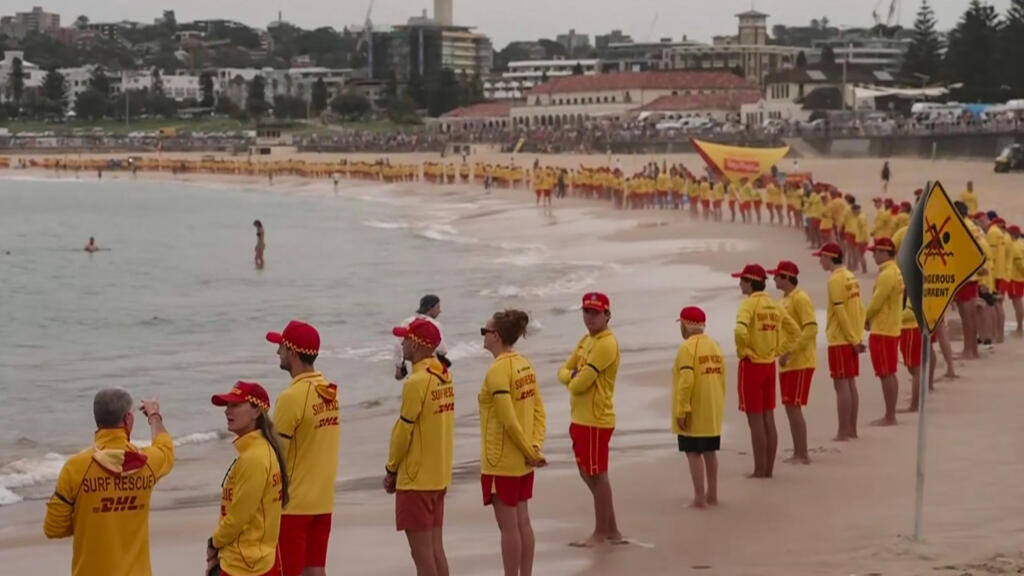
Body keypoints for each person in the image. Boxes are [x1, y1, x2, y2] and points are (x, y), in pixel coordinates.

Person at [44, 388, 174, 576]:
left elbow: (54, 528)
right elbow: (166, 449)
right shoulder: (147, 462)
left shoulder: (76, 467)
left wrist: (91, 517)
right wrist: (154, 415)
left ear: (97, 419)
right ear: (128, 419)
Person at [267, 321, 339, 576]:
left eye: (281, 347)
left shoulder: (292, 397)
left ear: (293, 353)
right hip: (323, 501)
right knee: (316, 570)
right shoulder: (328, 392)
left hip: (294, 505)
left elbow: (277, 455)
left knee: (290, 572)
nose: (277, 352)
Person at [479, 310, 547, 576]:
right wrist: (534, 448)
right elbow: (539, 411)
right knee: (522, 523)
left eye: (485, 331)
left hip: (502, 459)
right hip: (523, 458)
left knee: (509, 528)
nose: (483, 336)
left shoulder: (497, 370)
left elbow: (508, 420)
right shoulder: (524, 364)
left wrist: (530, 451)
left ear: (496, 336)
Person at [385, 318, 455, 576]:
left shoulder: (416, 382)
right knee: (436, 550)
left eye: (405, 339)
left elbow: (404, 431)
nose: (401, 343)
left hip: (416, 479)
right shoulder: (444, 376)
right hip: (438, 474)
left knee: (422, 555)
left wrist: (391, 469)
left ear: (415, 345)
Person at [558, 292, 624, 547]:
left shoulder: (606, 343)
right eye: (586, 312)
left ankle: (601, 532)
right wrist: (572, 376)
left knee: (597, 476)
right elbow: (563, 371)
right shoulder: (586, 340)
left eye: (595, 313)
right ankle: (612, 529)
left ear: (607, 315)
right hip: (580, 417)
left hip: (596, 419)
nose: (590, 317)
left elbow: (580, 384)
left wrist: (572, 377)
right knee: (588, 474)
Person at [208, 382, 288, 576]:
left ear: (257, 411)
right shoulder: (260, 450)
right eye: (227, 406)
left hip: (245, 565)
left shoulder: (254, 458)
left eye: (235, 405)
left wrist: (213, 543)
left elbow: (238, 518)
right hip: (257, 559)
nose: (227, 411)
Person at [732, 264, 797, 478]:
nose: (739, 284)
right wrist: (777, 350)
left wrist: (743, 350)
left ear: (750, 283)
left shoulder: (748, 304)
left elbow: (740, 330)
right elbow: (794, 331)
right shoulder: (774, 305)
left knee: (755, 421)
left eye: (742, 280)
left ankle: (759, 469)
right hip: (769, 365)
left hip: (752, 365)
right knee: (769, 417)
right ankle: (768, 470)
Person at [673, 306, 726, 507]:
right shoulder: (715, 346)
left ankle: (699, 498)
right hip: (713, 406)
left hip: (694, 410)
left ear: (685, 326)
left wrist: (682, 410)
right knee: (710, 451)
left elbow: (686, 380)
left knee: (693, 453)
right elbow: (722, 378)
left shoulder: (686, 348)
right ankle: (712, 495)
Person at [815, 242, 865, 441]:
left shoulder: (835, 280)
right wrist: (858, 336)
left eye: (822, 257)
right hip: (852, 336)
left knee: (841, 385)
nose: (820, 261)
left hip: (841, 339)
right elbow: (859, 308)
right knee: (850, 383)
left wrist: (852, 339)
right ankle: (851, 429)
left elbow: (840, 311)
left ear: (829, 258)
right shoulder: (851, 276)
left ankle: (843, 431)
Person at [769, 260, 817, 464]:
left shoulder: (800, 298)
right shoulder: (783, 300)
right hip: (787, 362)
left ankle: (802, 453)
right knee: (789, 406)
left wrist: (790, 351)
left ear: (787, 278)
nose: (773, 279)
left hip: (800, 361)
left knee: (794, 406)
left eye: (777, 276)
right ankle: (798, 451)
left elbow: (811, 328)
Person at [864, 238, 904, 426]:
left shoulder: (887, 274)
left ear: (884, 253)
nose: (873, 256)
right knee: (889, 372)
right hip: (891, 327)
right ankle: (890, 413)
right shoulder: (895, 271)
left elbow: (877, 302)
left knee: (885, 373)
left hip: (883, 329)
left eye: (875, 252)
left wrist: (865, 318)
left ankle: (890, 415)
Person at [395, 295, 450, 380]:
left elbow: (398, 345)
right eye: (438, 307)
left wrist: (399, 366)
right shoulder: (435, 325)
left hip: (411, 367)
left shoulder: (407, 321)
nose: (440, 311)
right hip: (430, 368)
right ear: (430, 308)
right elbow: (442, 350)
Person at [1008, 225, 1024, 335]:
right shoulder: (1020, 244)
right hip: (1018, 277)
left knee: (1017, 302)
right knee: (1017, 302)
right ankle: (1019, 324)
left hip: (1016, 277)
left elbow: (1019, 263)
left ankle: (1019, 326)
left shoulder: (1015, 246)